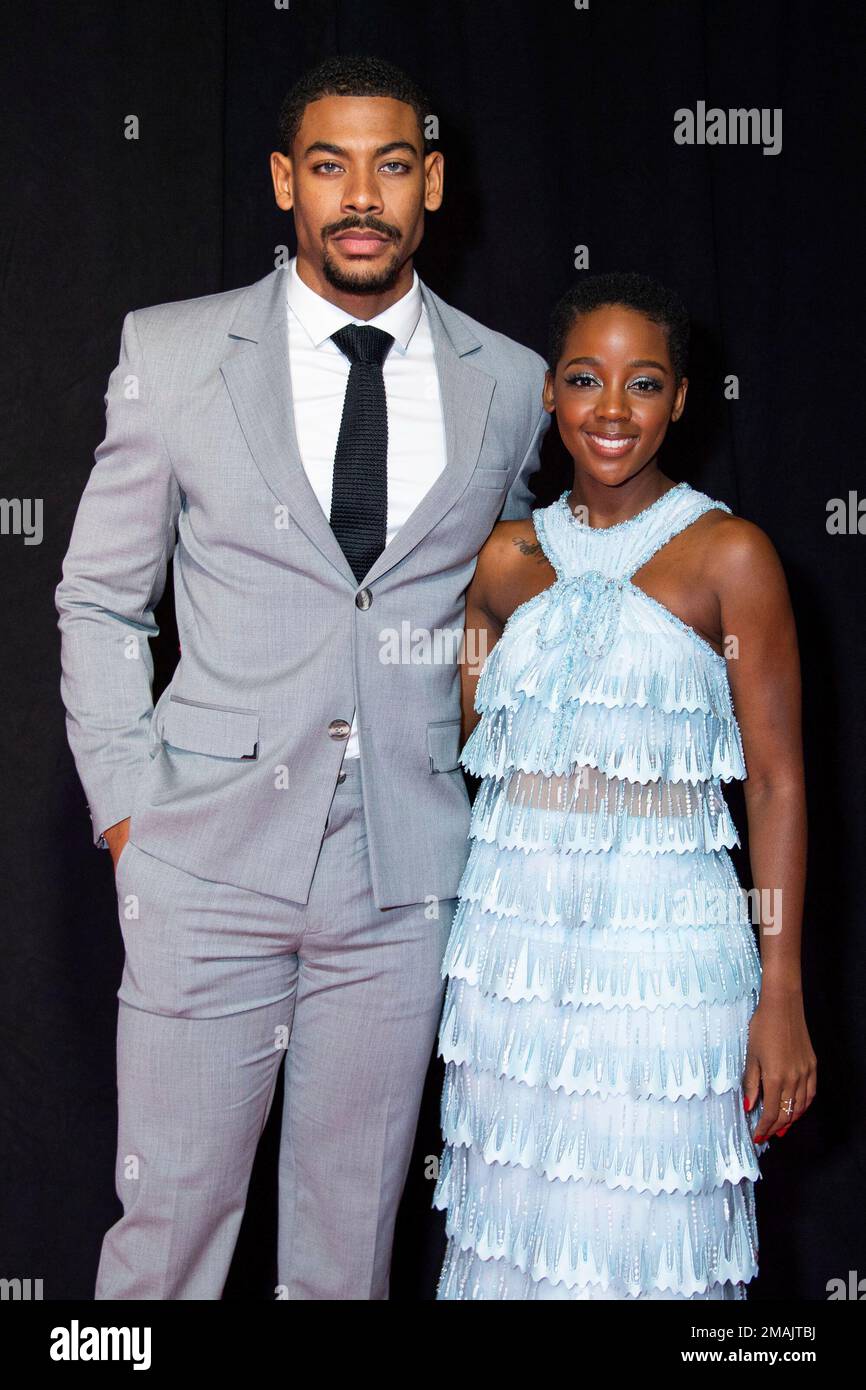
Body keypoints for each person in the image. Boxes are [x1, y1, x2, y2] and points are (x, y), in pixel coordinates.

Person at [54, 54, 549, 1300]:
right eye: (329, 165)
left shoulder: (511, 385)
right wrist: (129, 814)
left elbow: (518, 608)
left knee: (346, 1247)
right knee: (165, 1234)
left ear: (430, 181)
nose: (361, 196)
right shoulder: (170, 355)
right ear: (286, 182)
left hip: (403, 877)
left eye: (391, 164)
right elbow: (102, 598)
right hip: (202, 861)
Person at [433, 271, 816, 1299]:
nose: (610, 410)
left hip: (664, 962)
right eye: (583, 380)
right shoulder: (503, 561)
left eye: (642, 384)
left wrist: (778, 993)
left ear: (680, 399)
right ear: (549, 397)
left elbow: (776, 782)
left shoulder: (728, 555)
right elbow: (472, 755)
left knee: (641, 1235)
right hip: (513, 963)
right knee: (514, 1230)